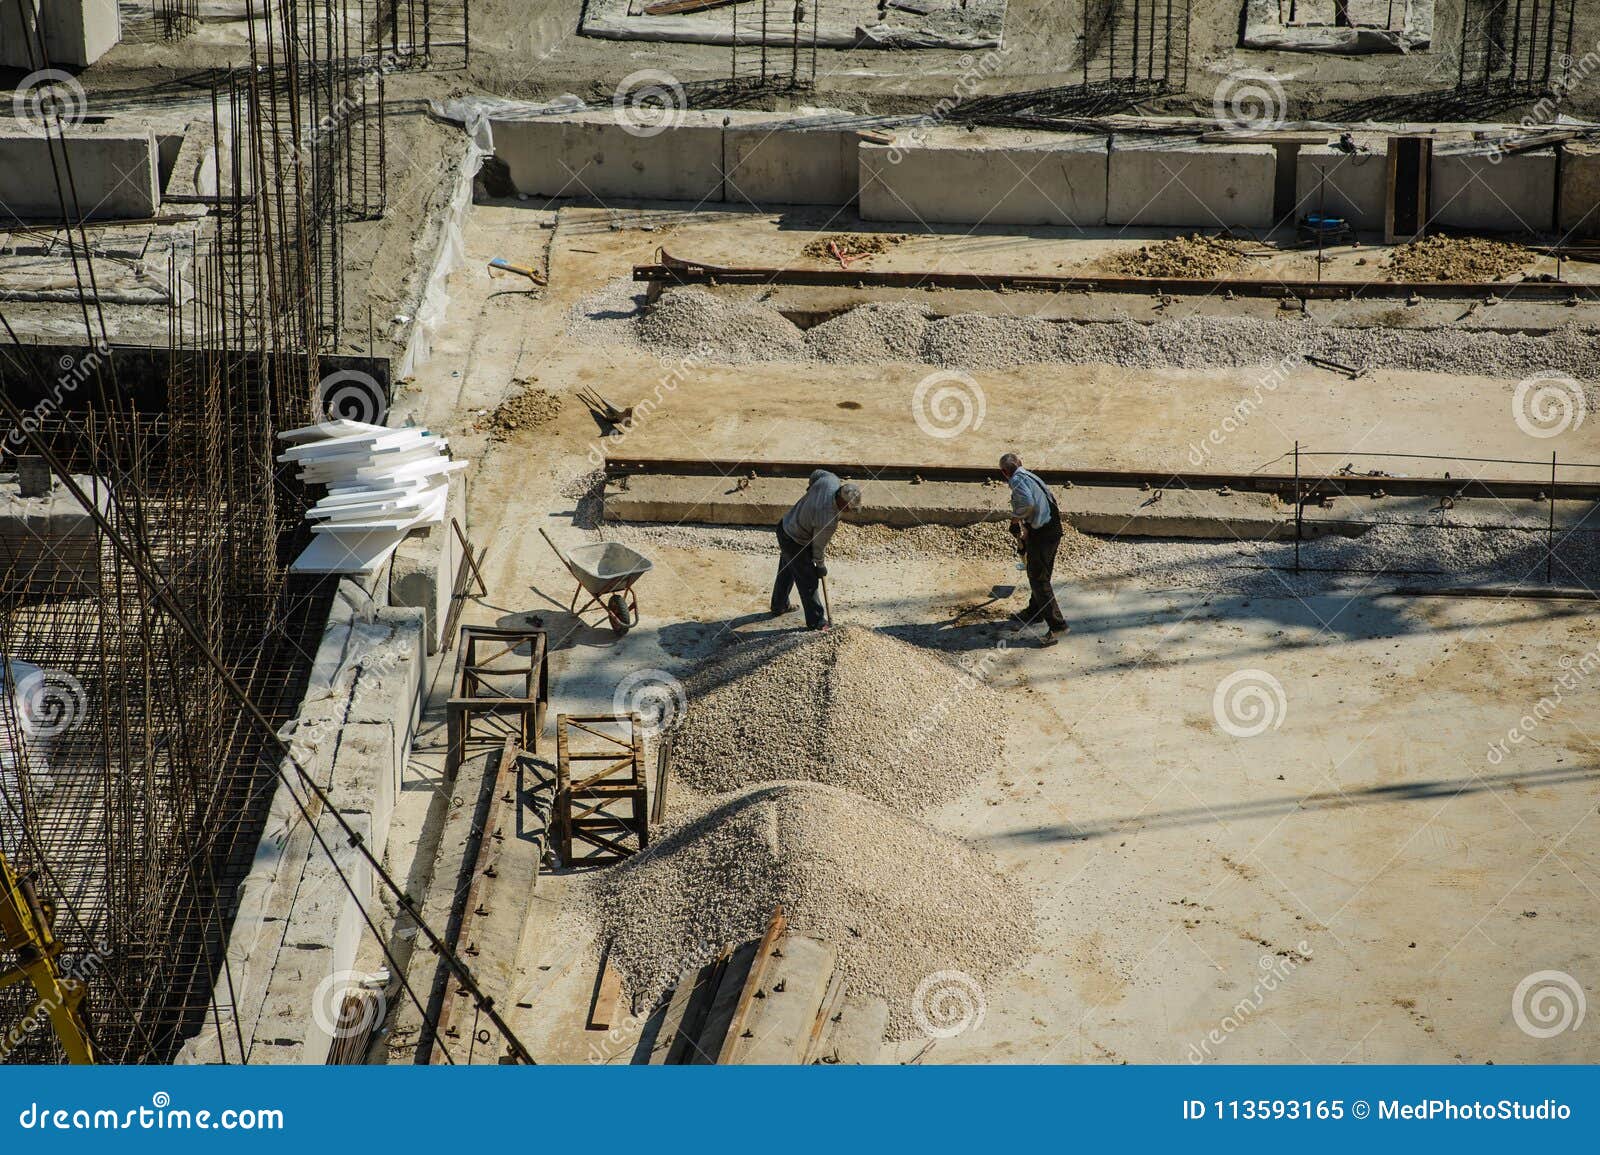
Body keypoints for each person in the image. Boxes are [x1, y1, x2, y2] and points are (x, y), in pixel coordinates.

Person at [772, 470, 861, 630]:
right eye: (849, 507)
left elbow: (815, 474)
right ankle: (817, 622)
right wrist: (820, 567)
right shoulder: (828, 519)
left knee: (788, 568)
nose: (849, 511)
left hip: (785, 526)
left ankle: (779, 605)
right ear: (843, 502)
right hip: (796, 541)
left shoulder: (831, 480)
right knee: (809, 581)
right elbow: (817, 548)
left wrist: (810, 490)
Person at [1000, 452, 1068, 647]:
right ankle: (1035, 611)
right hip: (1050, 528)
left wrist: (1015, 520)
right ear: (1020, 463)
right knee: (1039, 573)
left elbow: (1028, 503)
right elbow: (1047, 501)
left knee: (1039, 579)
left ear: (1004, 472)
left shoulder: (1016, 481)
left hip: (1044, 533)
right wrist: (1029, 528)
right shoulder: (1030, 476)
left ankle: (1058, 627)